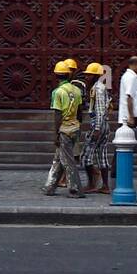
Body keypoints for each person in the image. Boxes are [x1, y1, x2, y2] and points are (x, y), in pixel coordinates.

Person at [44, 60, 83, 197]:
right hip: (75, 127)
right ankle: (50, 186)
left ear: (56, 76)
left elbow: (57, 114)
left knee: (68, 161)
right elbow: (80, 111)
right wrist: (78, 126)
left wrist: (56, 134)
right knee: (58, 159)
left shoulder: (58, 92)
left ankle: (75, 189)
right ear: (68, 74)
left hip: (64, 130)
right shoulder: (77, 90)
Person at [80, 62, 112, 195]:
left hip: (98, 125)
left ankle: (92, 183)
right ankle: (105, 186)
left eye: (89, 75)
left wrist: (97, 129)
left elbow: (99, 110)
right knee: (102, 156)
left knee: (86, 156)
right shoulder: (100, 87)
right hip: (105, 124)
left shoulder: (97, 89)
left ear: (95, 76)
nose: (87, 77)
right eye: (86, 75)